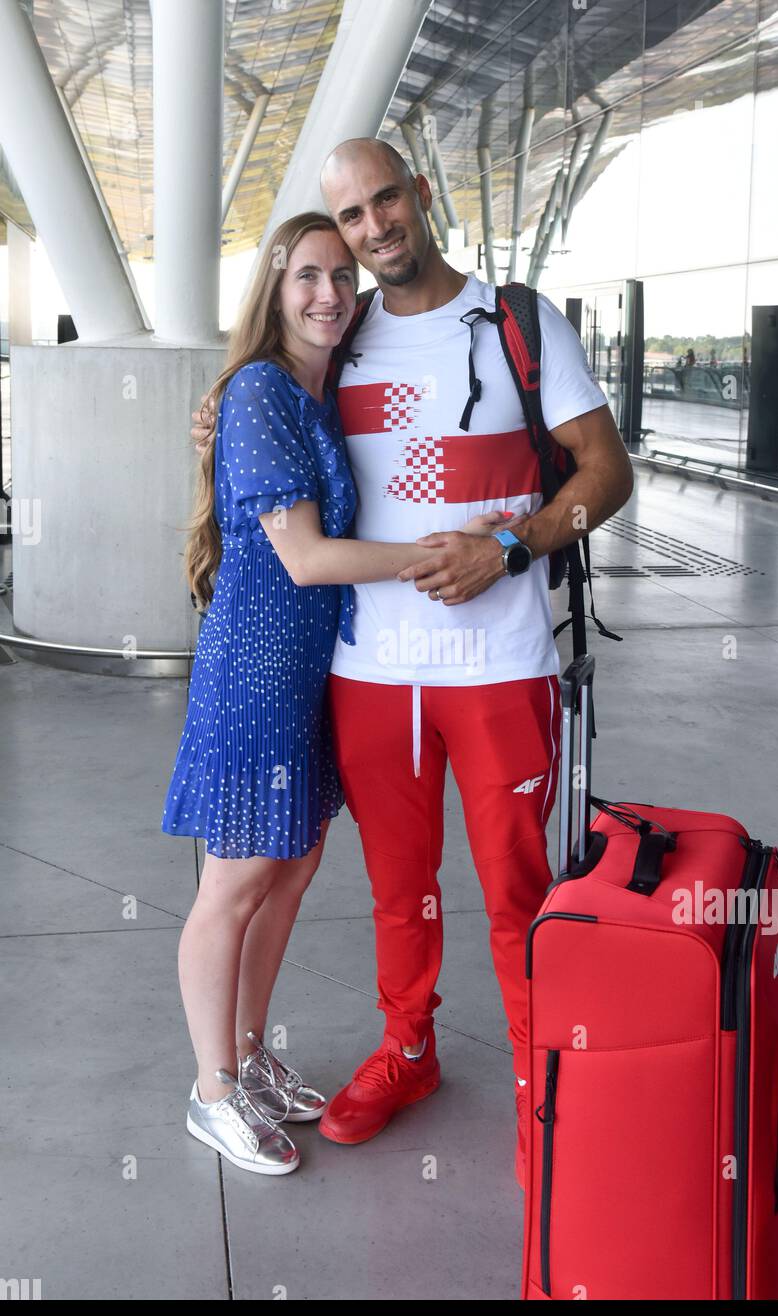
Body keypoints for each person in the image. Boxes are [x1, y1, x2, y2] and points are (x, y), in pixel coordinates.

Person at [194, 140, 633, 1189]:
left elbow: (605, 469)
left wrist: (515, 544)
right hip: (371, 670)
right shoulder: (336, 343)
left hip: (499, 665)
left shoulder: (518, 322)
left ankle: (542, 1083)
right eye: (349, 217)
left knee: (518, 890)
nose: (372, 227)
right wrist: (210, 417)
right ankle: (408, 1051)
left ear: (419, 197)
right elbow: (263, 420)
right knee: (399, 891)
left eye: (385, 200)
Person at [166, 209, 507, 1177]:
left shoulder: (321, 392)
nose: (328, 294)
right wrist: (439, 557)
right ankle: (212, 1091)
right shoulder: (263, 392)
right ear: (273, 292)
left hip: (320, 671)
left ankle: (246, 1056)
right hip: (257, 673)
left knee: (290, 875)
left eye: (340, 278)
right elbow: (308, 558)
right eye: (307, 275)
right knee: (234, 883)